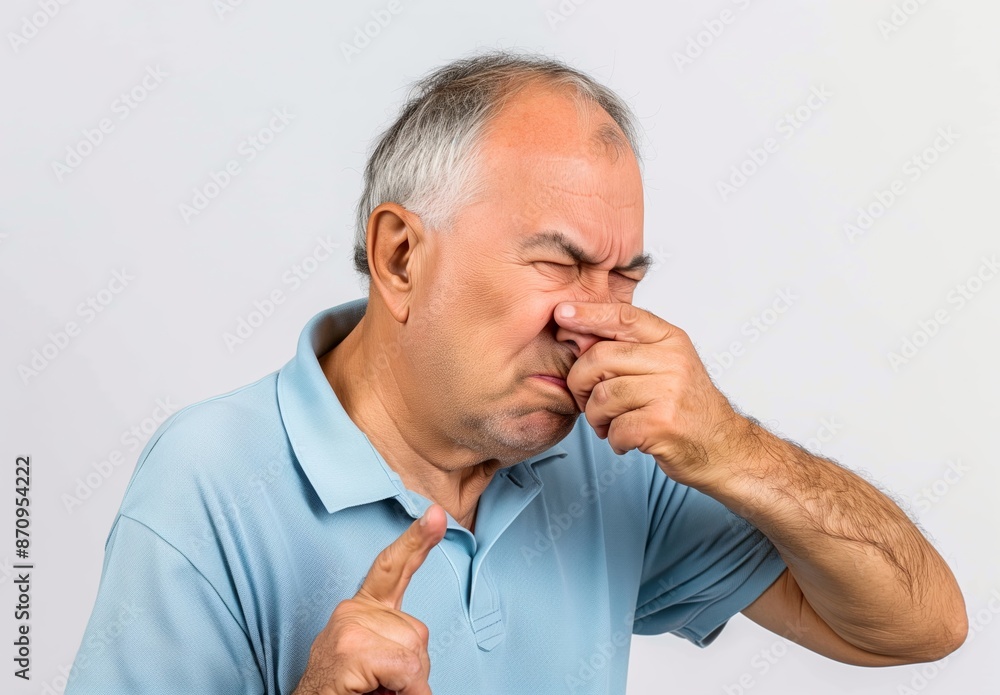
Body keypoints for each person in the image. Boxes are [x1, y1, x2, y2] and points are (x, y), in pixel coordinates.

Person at [66, 50, 966, 695]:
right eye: (559, 263)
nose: (598, 319)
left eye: (625, 275)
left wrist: (732, 446)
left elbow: (920, 626)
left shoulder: (613, 459)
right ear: (402, 256)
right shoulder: (208, 480)